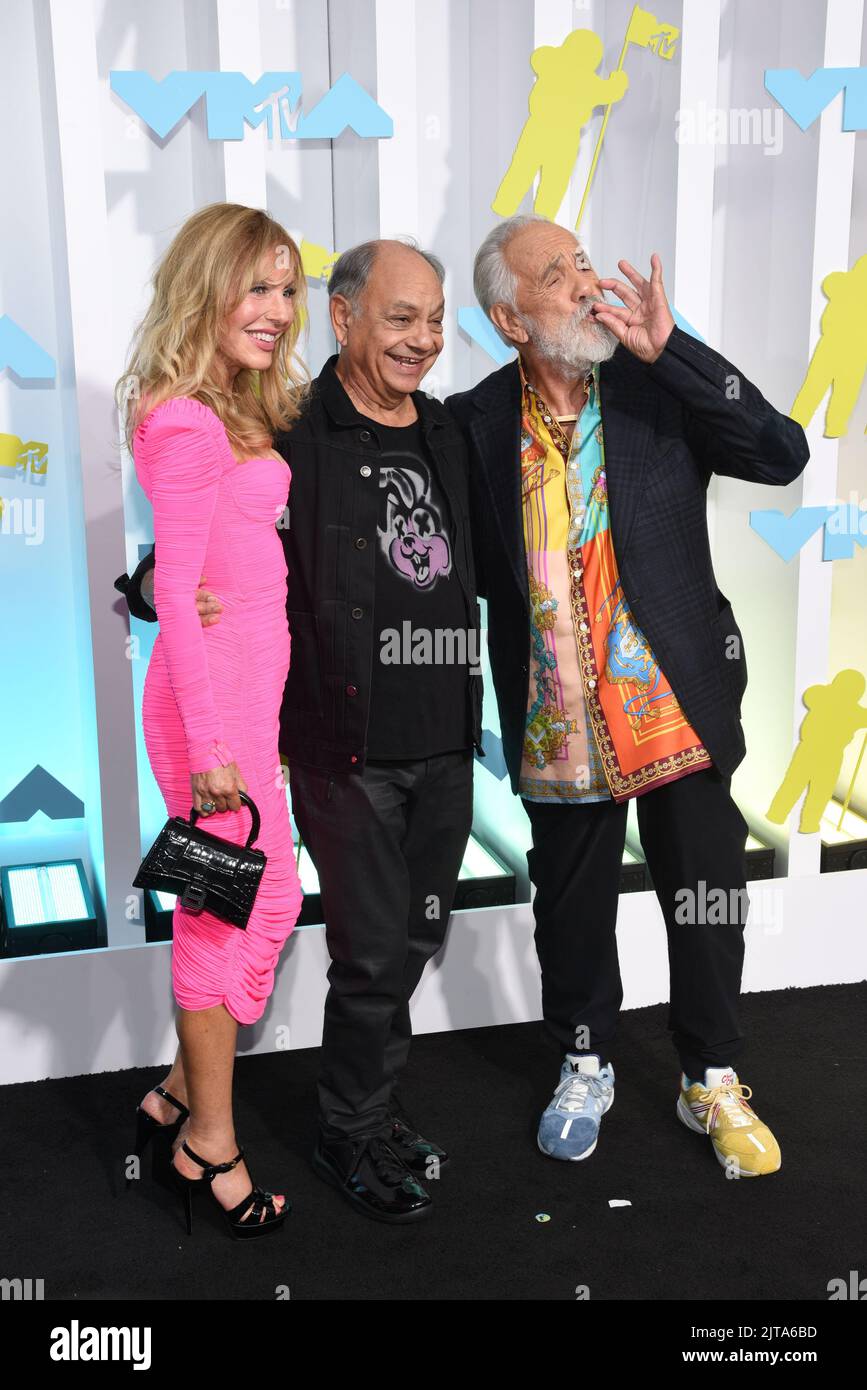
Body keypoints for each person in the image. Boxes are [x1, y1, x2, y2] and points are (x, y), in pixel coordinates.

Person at [119, 238, 483, 1224]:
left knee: (383, 933)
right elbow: (187, 553)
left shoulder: (445, 432)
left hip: (439, 737)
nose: (422, 338)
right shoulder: (288, 423)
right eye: (400, 315)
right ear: (347, 316)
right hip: (309, 742)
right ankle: (269, 1136)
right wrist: (152, 590)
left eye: (436, 318)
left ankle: (185, 1096)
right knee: (259, 924)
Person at [447, 213, 810, 1177]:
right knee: (571, 912)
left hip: (675, 702)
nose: (584, 283)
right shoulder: (473, 424)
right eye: (556, 275)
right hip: (554, 717)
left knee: (705, 895)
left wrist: (676, 348)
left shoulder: (655, 387)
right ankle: (584, 1060)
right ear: (509, 317)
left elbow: (781, 453)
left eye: (580, 262)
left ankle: (713, 1074)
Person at [117, 203, 307, 1238]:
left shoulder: (231, 405)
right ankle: (209, 1148)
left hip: (241, 701)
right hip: (205, 714)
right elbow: (178, 594)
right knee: (219, 914)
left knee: (266, 907)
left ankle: (179, 1093)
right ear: (207, 287)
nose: (277, 311)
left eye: (288, 290)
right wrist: (213, 752)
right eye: (258, 287)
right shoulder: (188, 420)